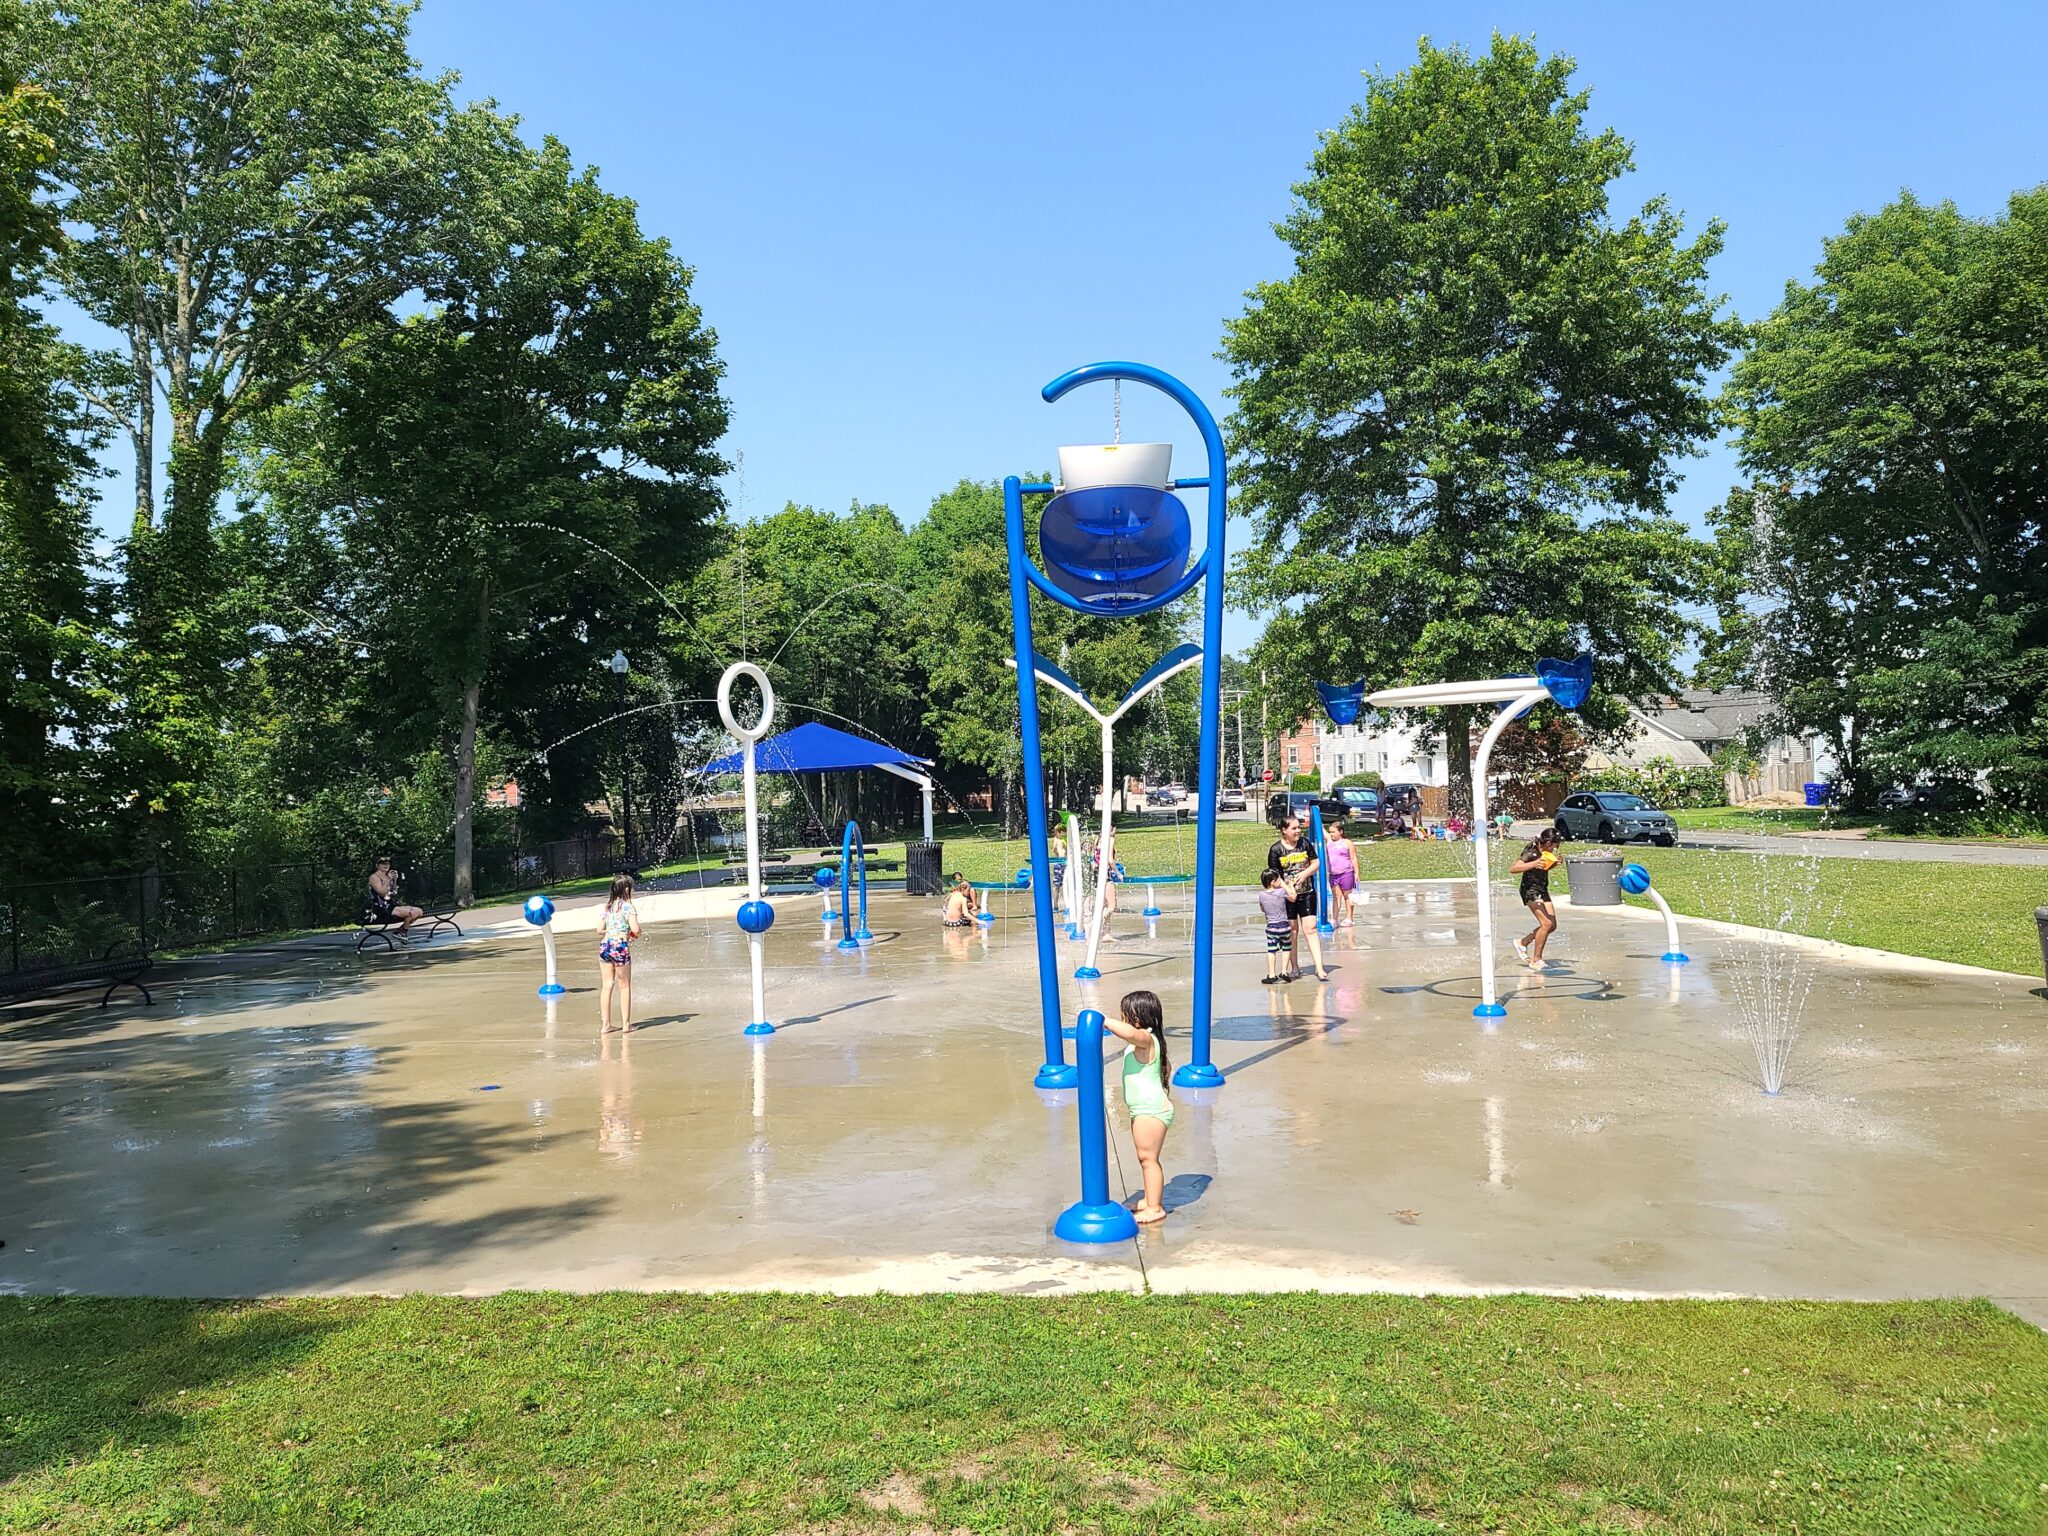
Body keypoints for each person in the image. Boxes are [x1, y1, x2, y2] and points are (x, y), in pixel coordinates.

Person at [1102, 989, 1173, 1224]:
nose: (1122, 1020)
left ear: (1139, 1017)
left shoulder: (1145, 1039)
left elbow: (1130, 1034)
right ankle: (1149, 1198)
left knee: (1148, 1158)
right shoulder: (1147, 1044)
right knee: (1144, 1157)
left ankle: (1155, 1207)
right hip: (1143, 1109)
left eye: (1125, 1015)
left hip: (1150, 1110)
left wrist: (1104, 1021)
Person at [1265, 817, 1329, 982]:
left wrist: (1304, 874)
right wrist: (1289, 890)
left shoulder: (1304, 844)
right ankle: (1294, 967)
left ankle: (1319, 968)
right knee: (1292, 931)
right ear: (1284, 830)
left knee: (1311, 928)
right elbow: (1275, 878)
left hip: (1307, 892)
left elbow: (1316, 863)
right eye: (1294, 828)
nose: (1298, 831)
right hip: (1288, 897)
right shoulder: (1276, 850)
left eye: (1298, 828)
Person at [1508, 828, 1561, 971]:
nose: (1556, 848)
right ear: (1548, 843)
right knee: (1546, 923)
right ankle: (1536, 959)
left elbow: (1542, 868)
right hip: (1530, 890)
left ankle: (1523, 942)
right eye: (1555, 845)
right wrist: (1534, 863)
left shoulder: (1545, 850)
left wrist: (1554, 864)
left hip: (1542, 889)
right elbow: (1514, 868)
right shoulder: (1531, 852)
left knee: (1552, 925)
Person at [597, 874, 641, 1034]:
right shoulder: (629, 907)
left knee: (607, 985)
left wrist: (612, 930)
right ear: (627, 889)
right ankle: (626, 1024)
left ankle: (606, 1025)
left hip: (605, 945)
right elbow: (635, 930)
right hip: (619, 946)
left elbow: (599, 930)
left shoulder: (607, 906)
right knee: (625, 986)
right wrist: (633, 933)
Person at [366, 855, 422, 936]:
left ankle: (401, 931)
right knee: (413, 913)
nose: (386, 866)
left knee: (419, 911)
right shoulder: (374, 877)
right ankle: (401, 932)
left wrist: (394, 880)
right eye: (383, 864)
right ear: (377, 865)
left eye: (388, 864)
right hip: (381, 907)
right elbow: (382, 893)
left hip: (391, 904)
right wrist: (387, 880)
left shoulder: (387, 876)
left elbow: (394, 892)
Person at [1256, 868, 1292, 984]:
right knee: (1286, 948)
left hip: (1271, 927)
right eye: (1278, 880)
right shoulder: (1281, 892)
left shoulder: (1261, 895)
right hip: (1284, 925)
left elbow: (1262, 909)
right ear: (1273, 881)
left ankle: (1272, 974)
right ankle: (1284, 971)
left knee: (1271, 951)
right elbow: (1293, 896)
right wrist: (1287, 885)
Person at [1323, 820, 1358, 927]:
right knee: (1336, 896)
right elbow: (1322, 830)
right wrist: (1314, 815)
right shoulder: (1329, 840)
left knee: (1347, 896)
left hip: (1346, 872)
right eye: (1330, 832)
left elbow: (1353, 858)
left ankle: (1349, 918)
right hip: (1334, 874)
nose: (1331, 834)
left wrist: (1356, 873)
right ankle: (1334, 919)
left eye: (1334, 832)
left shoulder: (1347, 842)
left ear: (1341, 832)